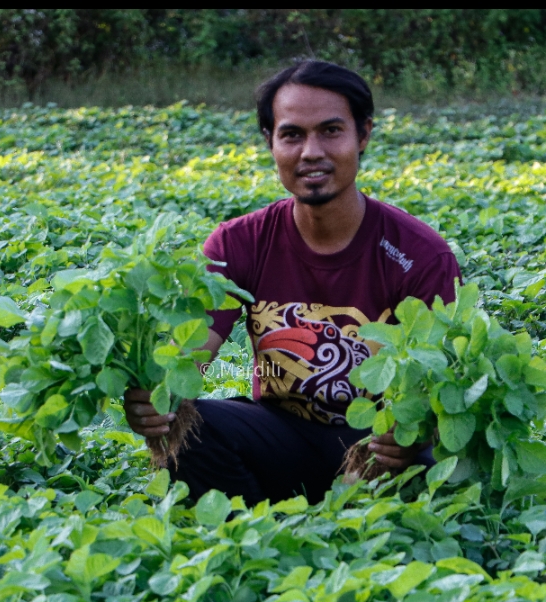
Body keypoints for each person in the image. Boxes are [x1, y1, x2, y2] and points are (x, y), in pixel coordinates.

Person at [124, 60, 461, 505]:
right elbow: (190, 354)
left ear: (363, 135)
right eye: (292, 135)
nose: (311, 152)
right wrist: (156, 401)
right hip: (282, 434)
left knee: (438, 474)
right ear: (270, 141)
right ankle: (254, 534)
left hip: (381, 443)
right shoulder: (238, 243)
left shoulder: (420, 255)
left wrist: (415, 434)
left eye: (331, 131)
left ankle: (327, 522)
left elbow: (445, 385)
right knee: (192, 429)